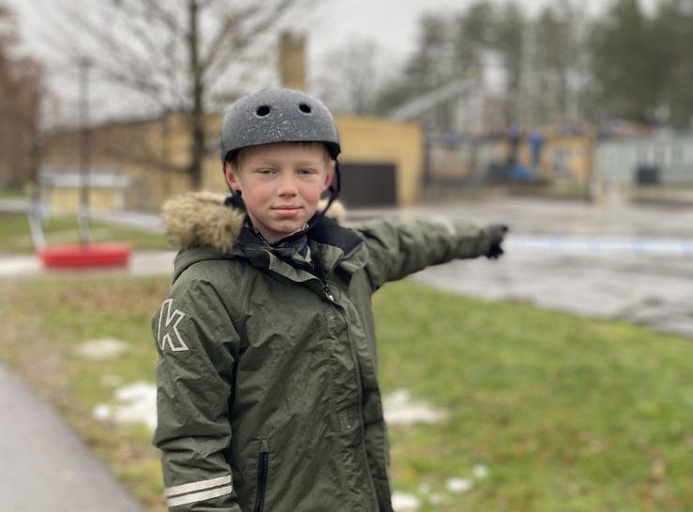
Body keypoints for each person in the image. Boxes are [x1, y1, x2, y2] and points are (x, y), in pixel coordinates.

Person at [152, 87, 507, 511]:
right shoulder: (206, 290)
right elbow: (192, 439)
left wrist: (479, 237)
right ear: (233, 176)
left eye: (304, 171)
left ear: (327, 176)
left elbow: (410, 240)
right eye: (267, 172)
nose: (288, 188)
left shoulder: (345, 258)